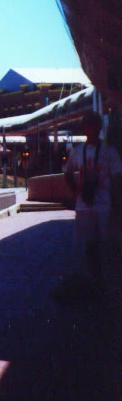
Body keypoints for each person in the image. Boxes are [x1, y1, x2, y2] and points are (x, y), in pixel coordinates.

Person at [64, 110, 122, 294]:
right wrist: (75, 191)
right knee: (89, 245)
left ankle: (106, 282)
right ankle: (97, 282)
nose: (91, 129)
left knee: (106, 245)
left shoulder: (108, 152)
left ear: (99, 128)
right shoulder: (77, 151)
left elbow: (116, 179)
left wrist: (116, 204)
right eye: (87, 125)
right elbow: (67, 172)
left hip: (104, 204)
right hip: (84, 205)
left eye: (94, 125)